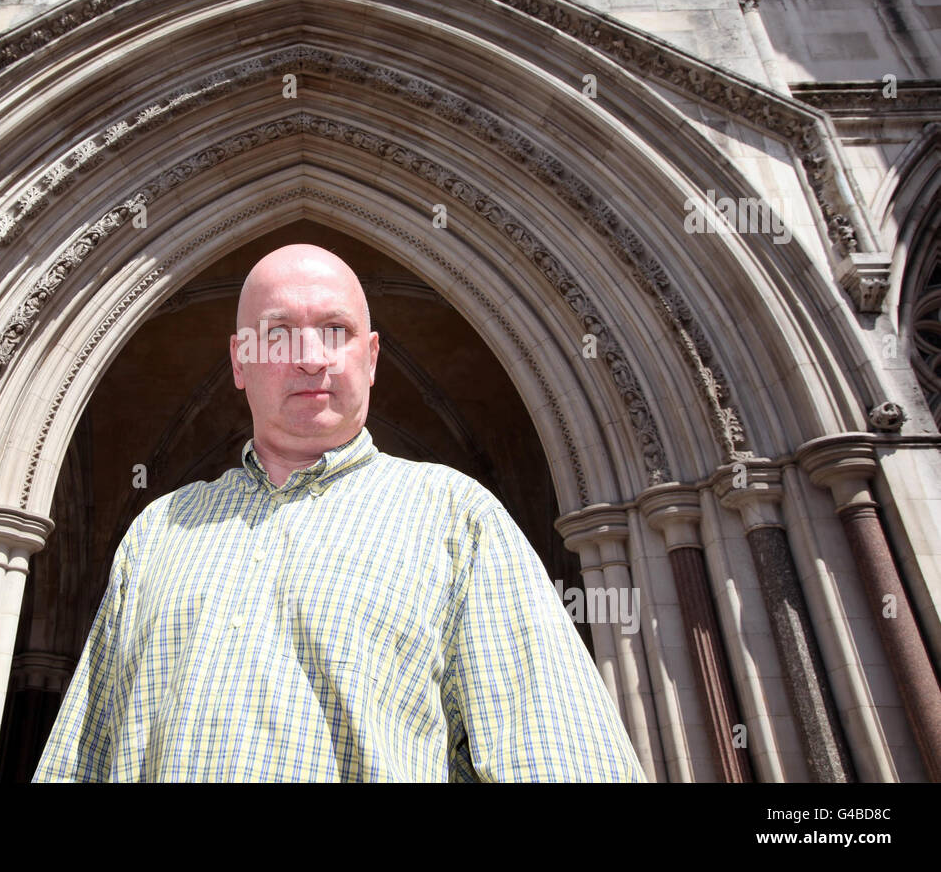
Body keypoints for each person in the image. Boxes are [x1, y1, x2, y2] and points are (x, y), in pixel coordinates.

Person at [32, 243, 646, 782]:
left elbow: (560, 760)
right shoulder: (158, 532)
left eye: (335, 331)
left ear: (370, 357)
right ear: (240, 360)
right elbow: (82, 760)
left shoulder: (456, 517)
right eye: (278, 334)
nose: (311, 358)